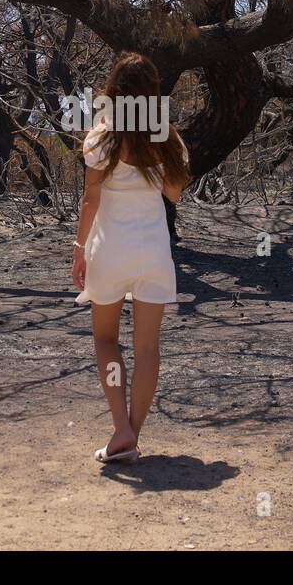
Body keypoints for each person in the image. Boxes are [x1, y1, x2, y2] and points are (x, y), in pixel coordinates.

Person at [72, 53, 190, 463]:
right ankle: (130, 437)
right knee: (148, 348)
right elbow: (174, 193)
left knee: (106, 340)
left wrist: (78, 249)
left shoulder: (101, 137)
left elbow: (91, 198)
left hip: (109, 250)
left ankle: (121, 428)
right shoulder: (167, 137)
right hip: (154, 252)